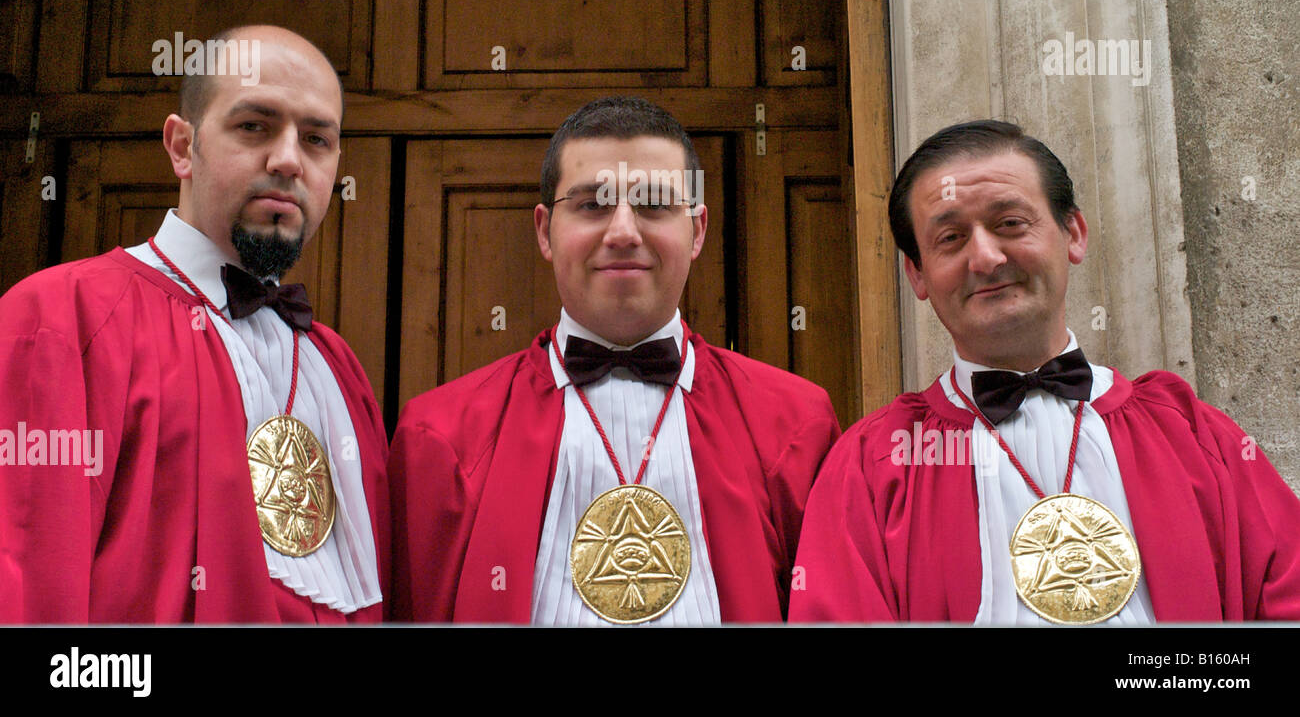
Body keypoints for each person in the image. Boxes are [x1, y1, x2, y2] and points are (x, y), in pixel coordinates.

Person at [790, 119, 1300, 624]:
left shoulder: (1194, 434)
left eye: (1010, 223)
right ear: (918, 274)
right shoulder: (871, 467)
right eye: (950, 238)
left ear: (1073, 234)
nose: (986, 258)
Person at [389, 96, 840, 624]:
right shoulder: (438, 438)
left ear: (696, 231)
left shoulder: (798, 425)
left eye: (653, 204)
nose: (623, 231)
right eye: (592, 205)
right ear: (544, 232)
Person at [0, 25, 388, 622]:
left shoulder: (338, 365)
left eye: (316, 140)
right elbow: (30, 581)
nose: (288, 160)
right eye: (254, 125)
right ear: (182, 147)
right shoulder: (59, 318)